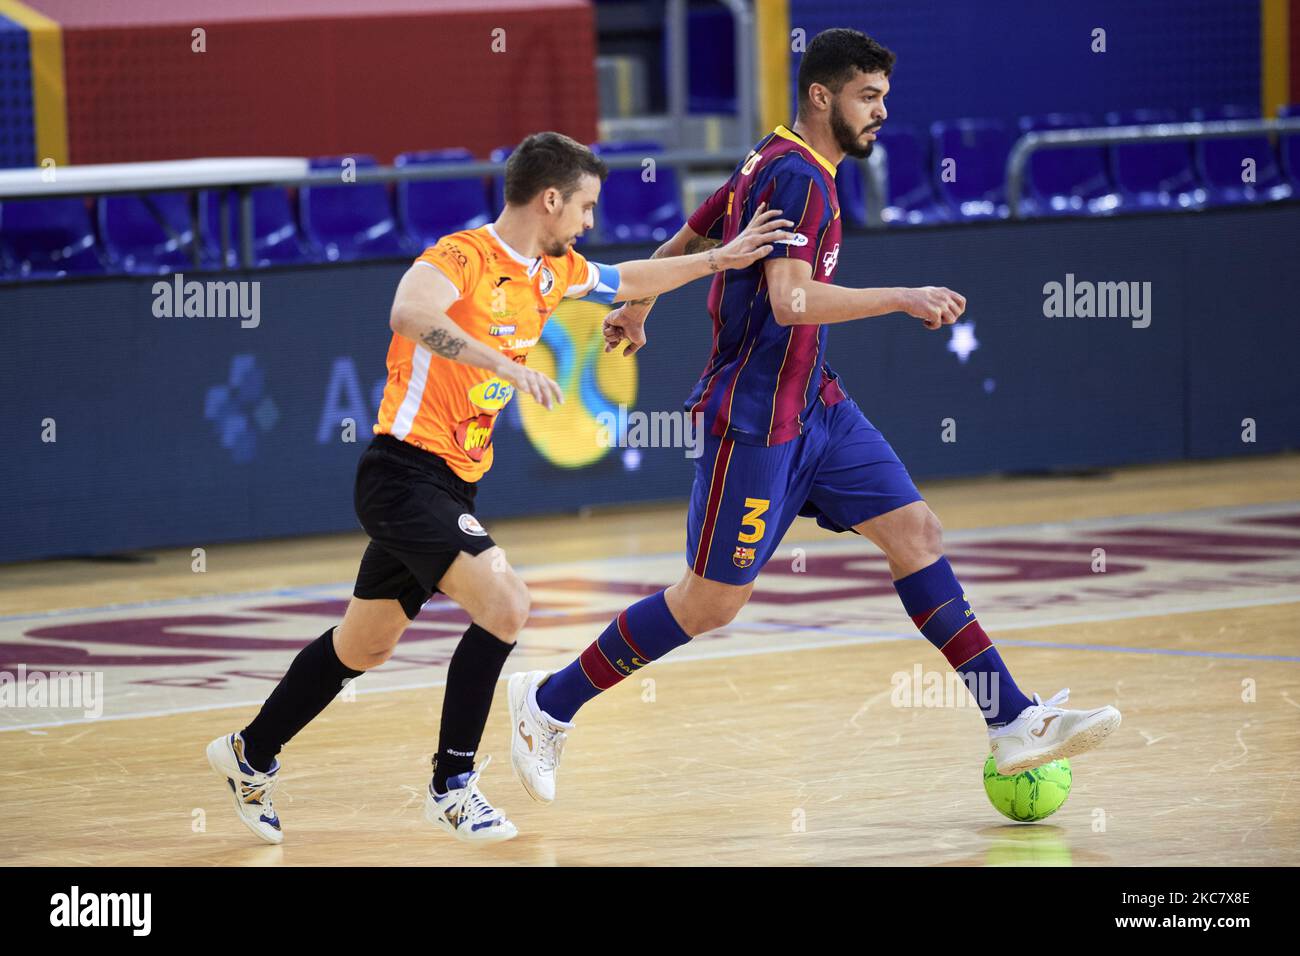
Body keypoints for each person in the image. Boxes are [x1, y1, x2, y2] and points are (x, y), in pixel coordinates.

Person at [508, 30, 1121, 808]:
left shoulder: (771, 156)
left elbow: (697, 230)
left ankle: (1012, 722)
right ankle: (547, 704)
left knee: (916, 533)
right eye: (869, 98)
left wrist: (638, 300)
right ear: (822, 97)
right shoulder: (796, 177)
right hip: (758, 421)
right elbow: (790, 300)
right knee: (708, 603)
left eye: (885, 99)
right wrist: (902, 296)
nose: (881, 114)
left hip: (818, 407)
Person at [206, 131, 795, 843]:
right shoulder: (462, 256)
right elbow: (410, 315)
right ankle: (452, 784)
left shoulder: (554, 272)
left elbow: (628, 278)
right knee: (507, 605)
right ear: (549, 199)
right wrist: (507, 366)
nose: (587, 222)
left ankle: (249, 753)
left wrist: (721, 259)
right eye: (583, 207)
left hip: (454, 484)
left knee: (364, 646)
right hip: (401, 472)